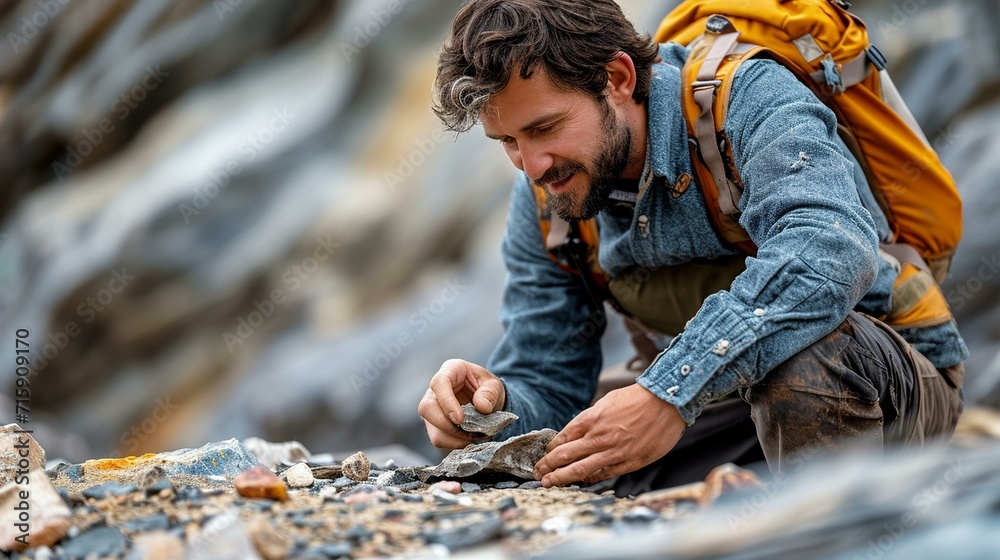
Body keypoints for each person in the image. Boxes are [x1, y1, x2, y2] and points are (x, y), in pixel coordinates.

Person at [417, 0, 968, 495]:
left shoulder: (751, 97)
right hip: (726, 405)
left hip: (891, 382)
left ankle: (831, 530)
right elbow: (549, 378)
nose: (531, 165)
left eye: (545, 127)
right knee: (568, 449)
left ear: (617, 77)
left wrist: (668, 390)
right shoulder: (548, 195)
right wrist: (490, 410)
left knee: (802, 360)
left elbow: (828, 250)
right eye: (508, 141)